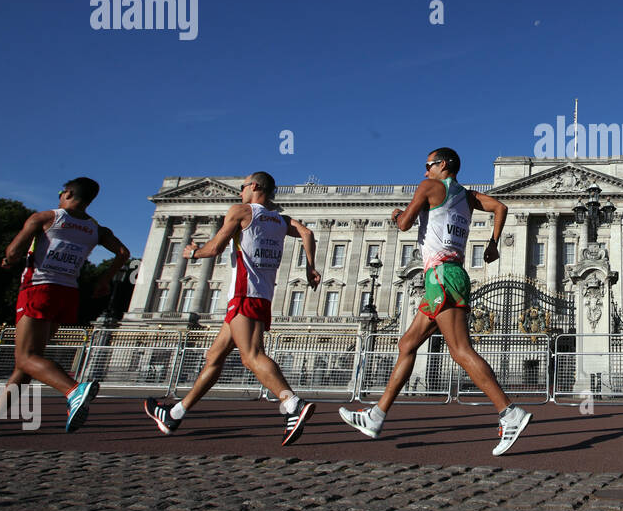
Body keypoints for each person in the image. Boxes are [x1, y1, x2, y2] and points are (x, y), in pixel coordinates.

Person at [338, 148, 532, 456]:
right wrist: (492, 244)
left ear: (442, 165)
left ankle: (509, 412)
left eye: (429, 164)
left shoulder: (429, 186)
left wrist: (397, 216)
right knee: (407, 345)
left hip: (441, 276)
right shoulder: (468, 196)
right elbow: (500, 207)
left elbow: (403, 224)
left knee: (460, 349)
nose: (425, 169)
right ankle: (376, 417)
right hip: (445, 276)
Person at [142, 172, 321, 445]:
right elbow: (307, 233)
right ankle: (175, 413)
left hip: (243, 293)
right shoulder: (280, 220)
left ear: (255, 187)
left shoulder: (241, 211)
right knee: (214, 356)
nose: (240, 192)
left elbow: (215, 248)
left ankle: (293, 403)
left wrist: (193, 252)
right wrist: (310, 267)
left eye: (243, 186)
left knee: (251, 356)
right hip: (261, 295)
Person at [0, 178, 129, 436]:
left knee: (25, 357)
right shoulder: (96, 229)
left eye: (61, 192)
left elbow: (13, 252)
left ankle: (73, 390)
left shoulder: (45, 217)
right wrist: (104, 279)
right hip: (68, 292)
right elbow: (123, 253)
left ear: (68, 193)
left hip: (38, 288)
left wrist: (7, 260)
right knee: (27, 362)